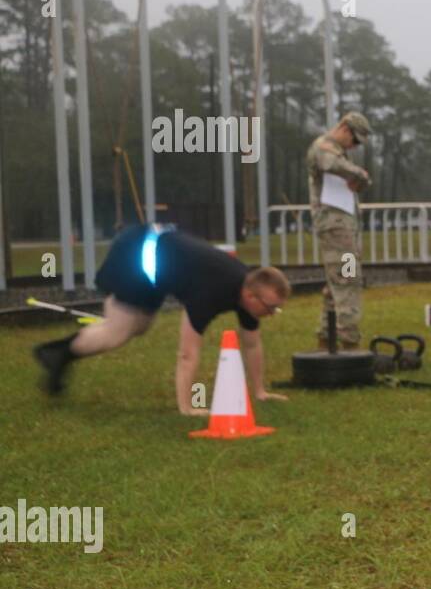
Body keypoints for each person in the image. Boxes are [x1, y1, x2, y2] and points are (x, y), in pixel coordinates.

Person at [32, 224, 291, 415]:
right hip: (135, 255)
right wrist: (187, 407)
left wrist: (260, 391)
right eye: (270, 308)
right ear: (251, 296)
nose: (271, 314)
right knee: (119, 331)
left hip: (157, 265)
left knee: (140, 327)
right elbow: (187, 353)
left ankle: (58, 354)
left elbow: (252, 343)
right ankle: (56, 354)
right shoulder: (213, 292)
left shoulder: (247, 288)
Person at [307, 111, 372, 350]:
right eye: (354, 140)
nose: (354, 147)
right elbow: (332, 164)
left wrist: (360, 179)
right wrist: (361, 175)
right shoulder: (324, 147)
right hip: (335, 226)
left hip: (342, 225)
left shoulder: (339, 153)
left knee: (336, 284)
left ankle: (327, 339)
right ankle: (349, 343)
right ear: (344, 128)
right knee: (347, 279)